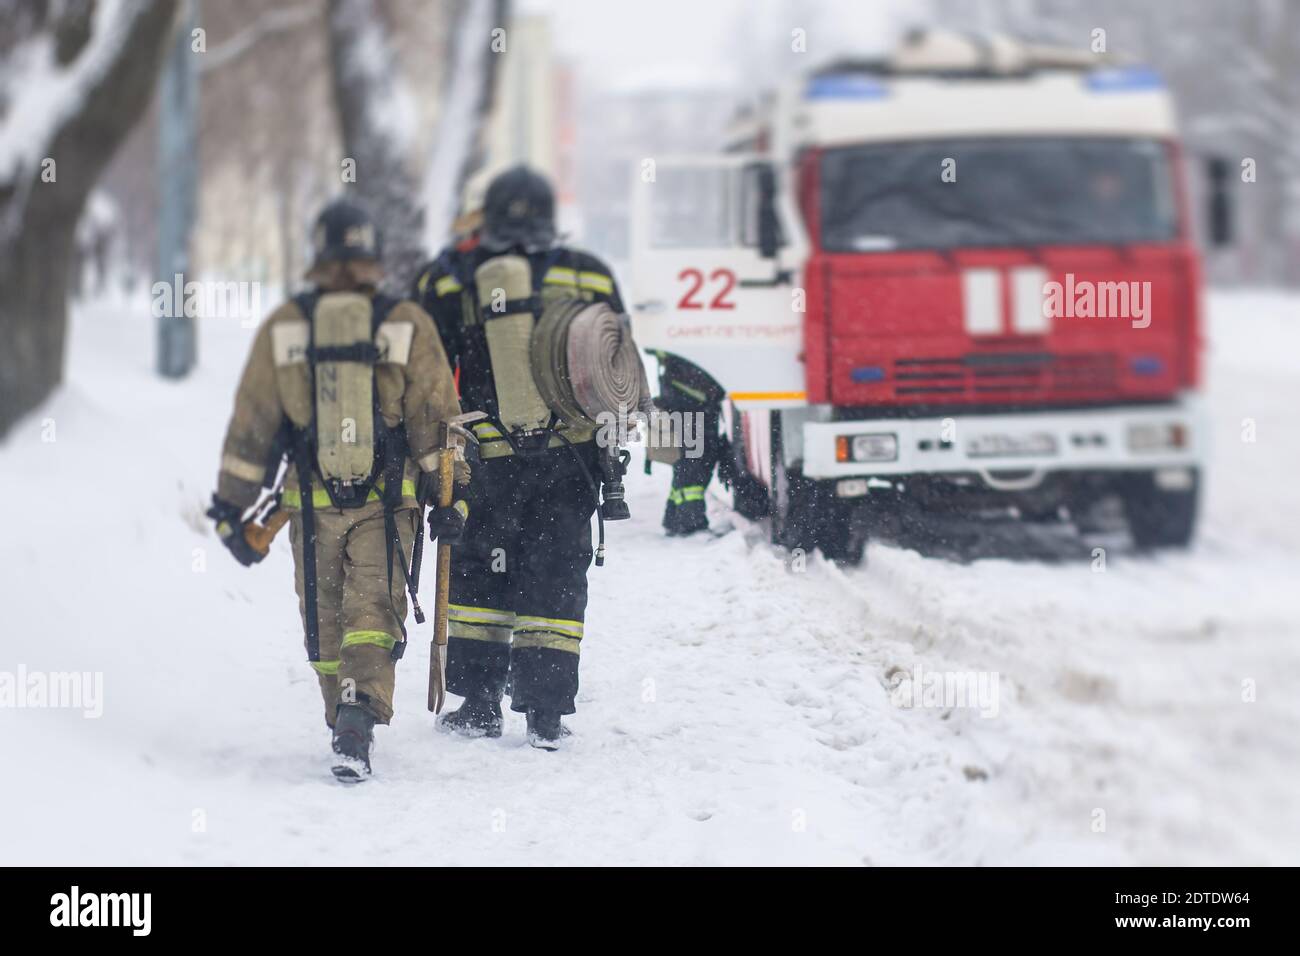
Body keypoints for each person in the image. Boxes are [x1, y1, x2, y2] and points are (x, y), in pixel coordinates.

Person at [207, 198, 466, 780]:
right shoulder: (405, 322)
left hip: (310, 505)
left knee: (324, 621)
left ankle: (344, 718)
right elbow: (437, 424)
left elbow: (254, 426)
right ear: (373, 258)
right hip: (385, 504)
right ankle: (357, 715)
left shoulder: (288, 326)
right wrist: (454, 498)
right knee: (373, 610)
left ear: (317, 257)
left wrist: (230, 506)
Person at [411, 165, 624, 749]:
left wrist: (428, 457)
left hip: (486, 460)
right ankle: (546, 713)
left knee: (483, 575)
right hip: (571, 461)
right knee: (555, 577)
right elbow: (617, 368)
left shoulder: (454, 278)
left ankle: (479, 704)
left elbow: (424, 372)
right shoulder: (588, 274)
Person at [651, 351, 727, 536]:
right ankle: (690, 522)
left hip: (690, 400)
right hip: (690, 402)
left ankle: (674, 518)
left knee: (691, 462)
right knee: (695, 463)